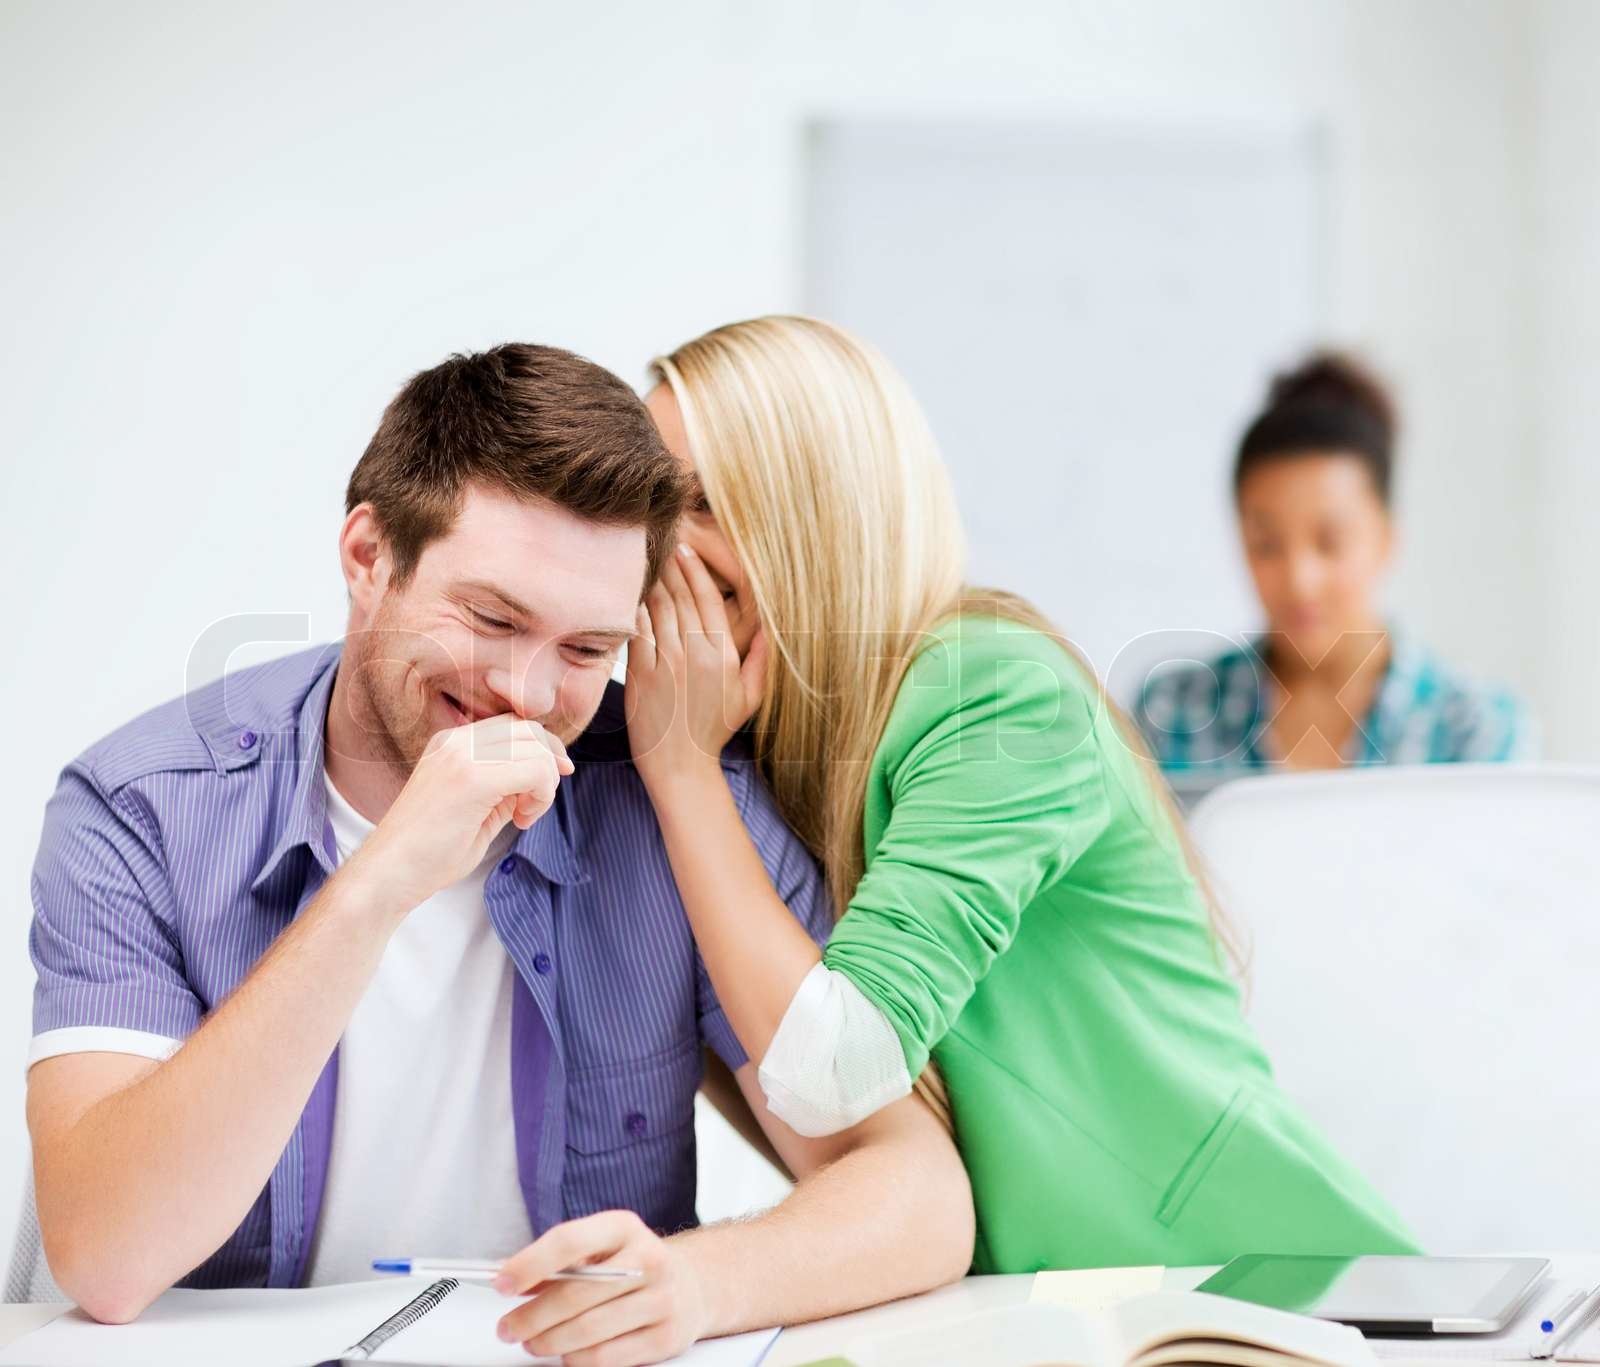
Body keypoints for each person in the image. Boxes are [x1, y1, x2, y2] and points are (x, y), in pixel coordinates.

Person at [24, 344, 973, 1364]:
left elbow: (917, 1189)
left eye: (583, 650)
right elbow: (106, 1257)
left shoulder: (677, 805)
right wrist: (381, 879)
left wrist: (702, 1280)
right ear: (367, 556)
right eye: (490, 618)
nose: (527, 691)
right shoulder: (141, 808)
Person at [623, 314, 1419, 1275]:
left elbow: (832, 1071)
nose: (665, 554)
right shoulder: (771, 752)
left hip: (1267, 1291)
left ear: (816, 514)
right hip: (1058, 1310)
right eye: (653, 510)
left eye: (706, 503)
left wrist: (678, 768)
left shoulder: (998, 692)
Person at [1134, 353, 1535, 777]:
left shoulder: (1475, 731)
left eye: (1330, 543)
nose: (1299, 580)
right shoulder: (1172, 715)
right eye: (1266, 545)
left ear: (1386, 538)